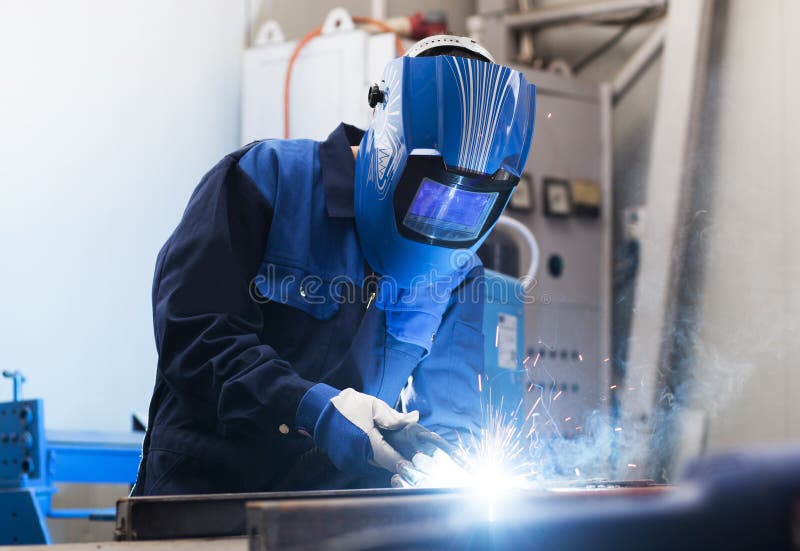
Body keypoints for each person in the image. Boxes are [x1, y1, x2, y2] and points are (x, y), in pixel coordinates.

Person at [132, 35, 536, 495]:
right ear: (389, 144)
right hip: (207, 505)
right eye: (432, 191)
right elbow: (194, 339)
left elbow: (454, 418)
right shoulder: (265, 180)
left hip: (340, 522)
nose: (443, 218)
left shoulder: (461, 271)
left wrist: (441, 466)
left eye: (468, 205)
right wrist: (311, 408)